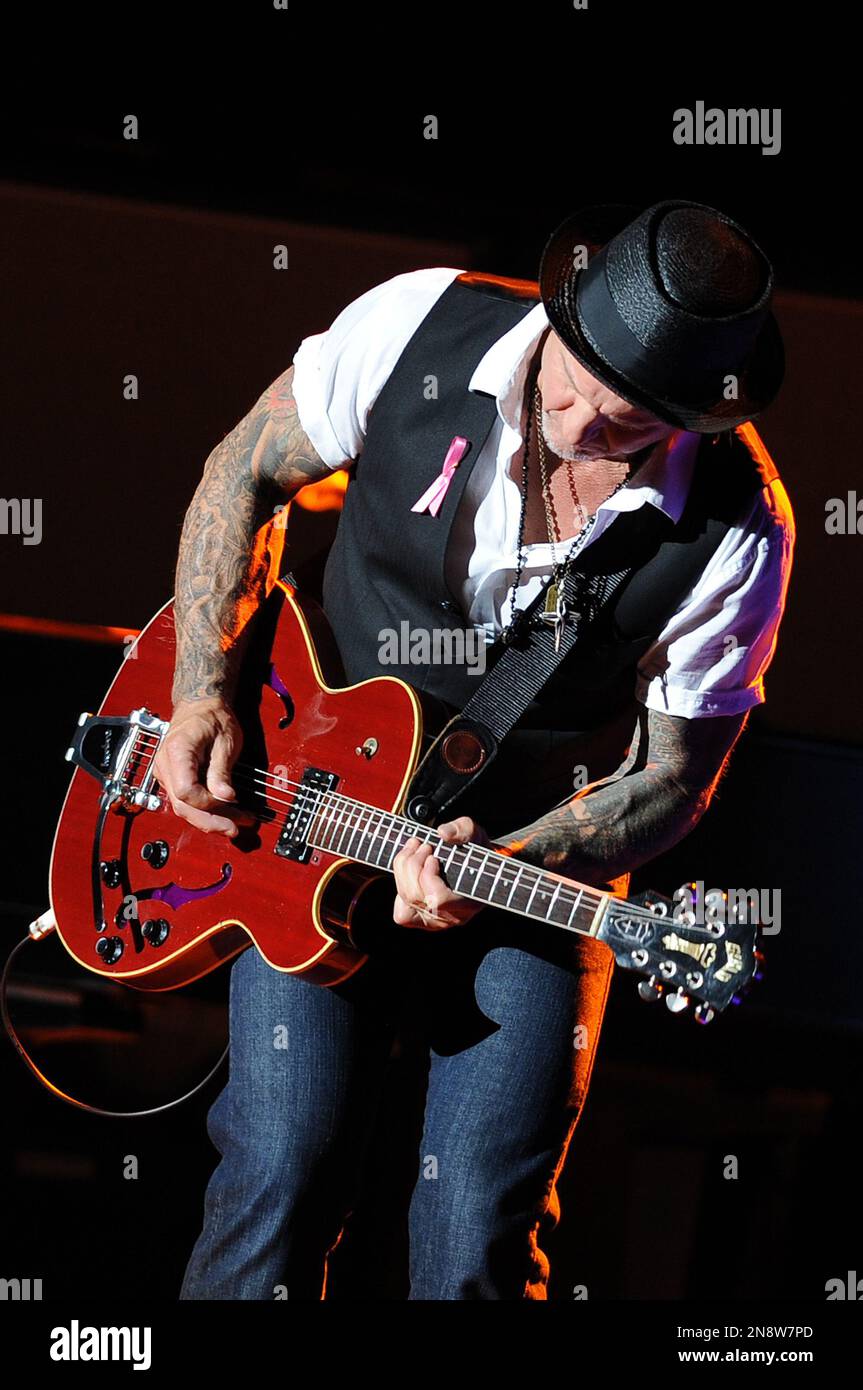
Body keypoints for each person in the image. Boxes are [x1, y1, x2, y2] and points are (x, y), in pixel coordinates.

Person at [160, 200, 795, 1299]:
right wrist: (199, 689)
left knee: (475, 1232)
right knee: (280, 1169)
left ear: (692, 418)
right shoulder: (415, 324)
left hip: (527, 854)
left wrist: (507, 862)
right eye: (576, 375)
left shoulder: (739, 525)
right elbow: (241, 472)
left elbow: (675, 774)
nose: (586, 421)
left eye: (633, 420)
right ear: (560, 308)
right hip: (305, 798)